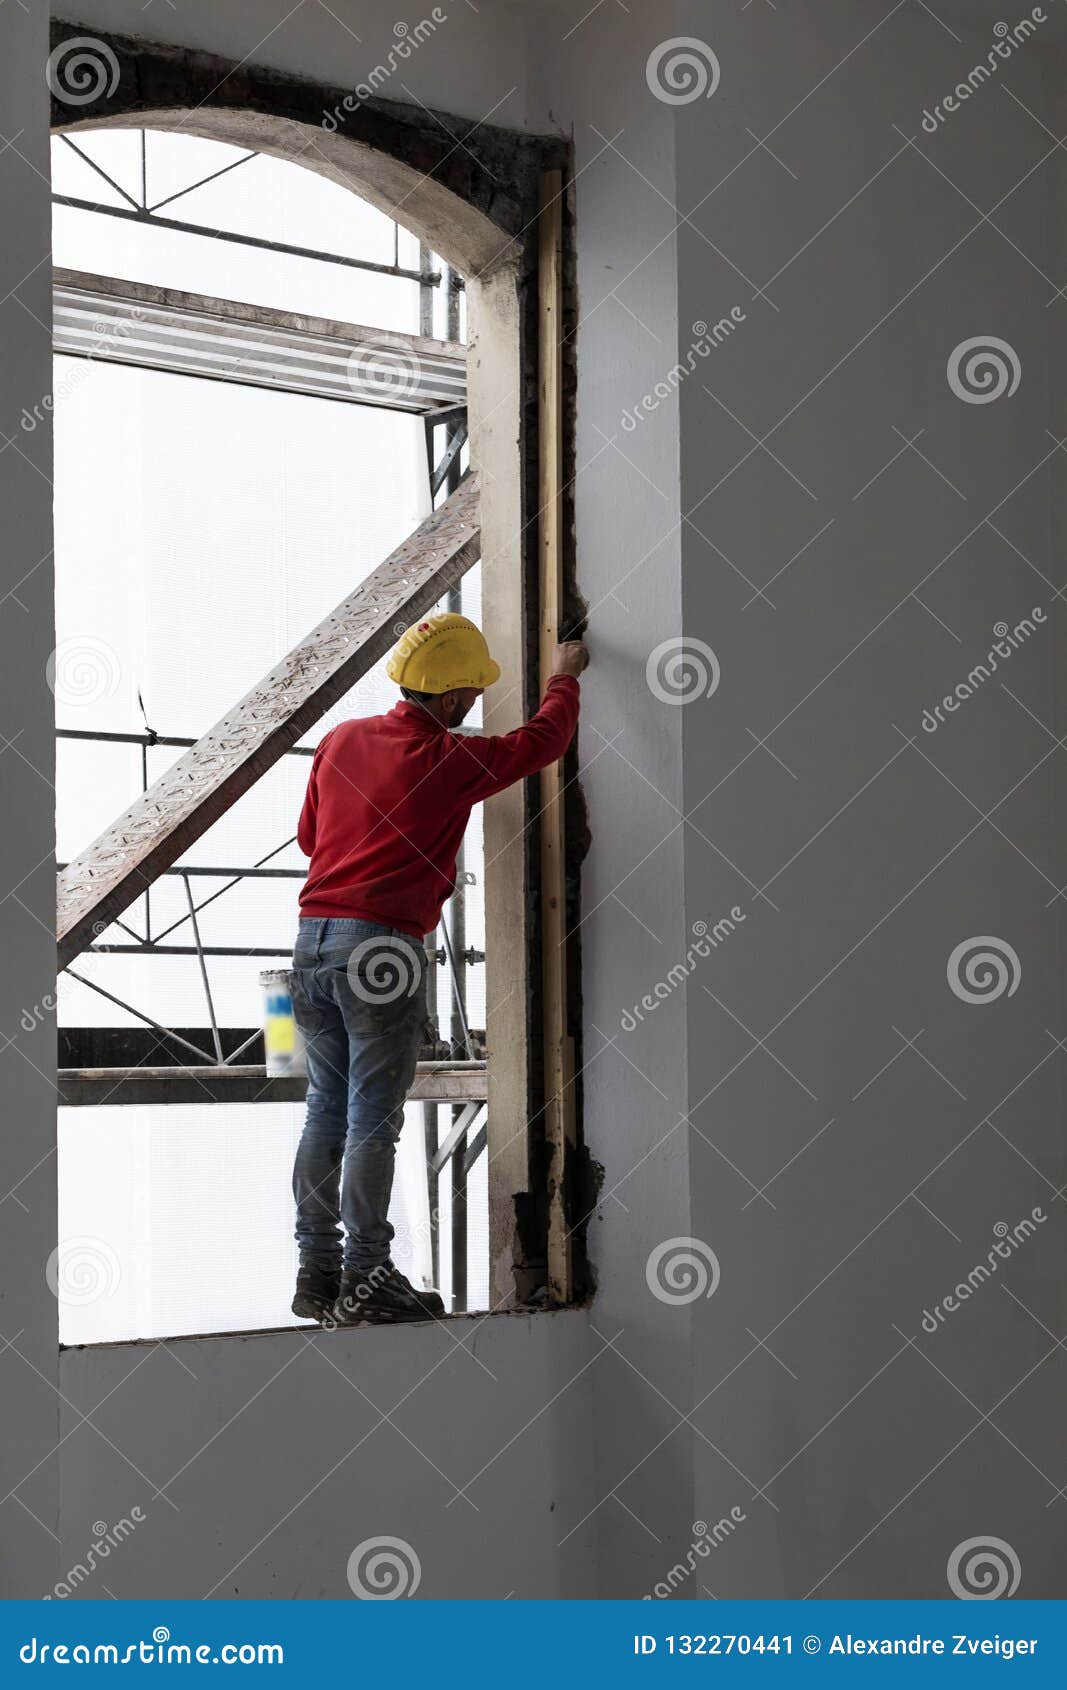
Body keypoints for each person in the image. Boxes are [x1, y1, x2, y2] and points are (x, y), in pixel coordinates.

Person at [290, 611, 588, 1325]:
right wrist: (564, 678)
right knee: (371, 1121)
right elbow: (540, 742)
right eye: (470, 693)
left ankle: (317, 1274)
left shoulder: (338, 741)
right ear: (450, 698)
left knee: (324, 1110)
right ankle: (367, 1279)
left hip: (309, 943)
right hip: (381, 949)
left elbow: (308, 839)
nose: (474, 705)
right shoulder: (447, 760)